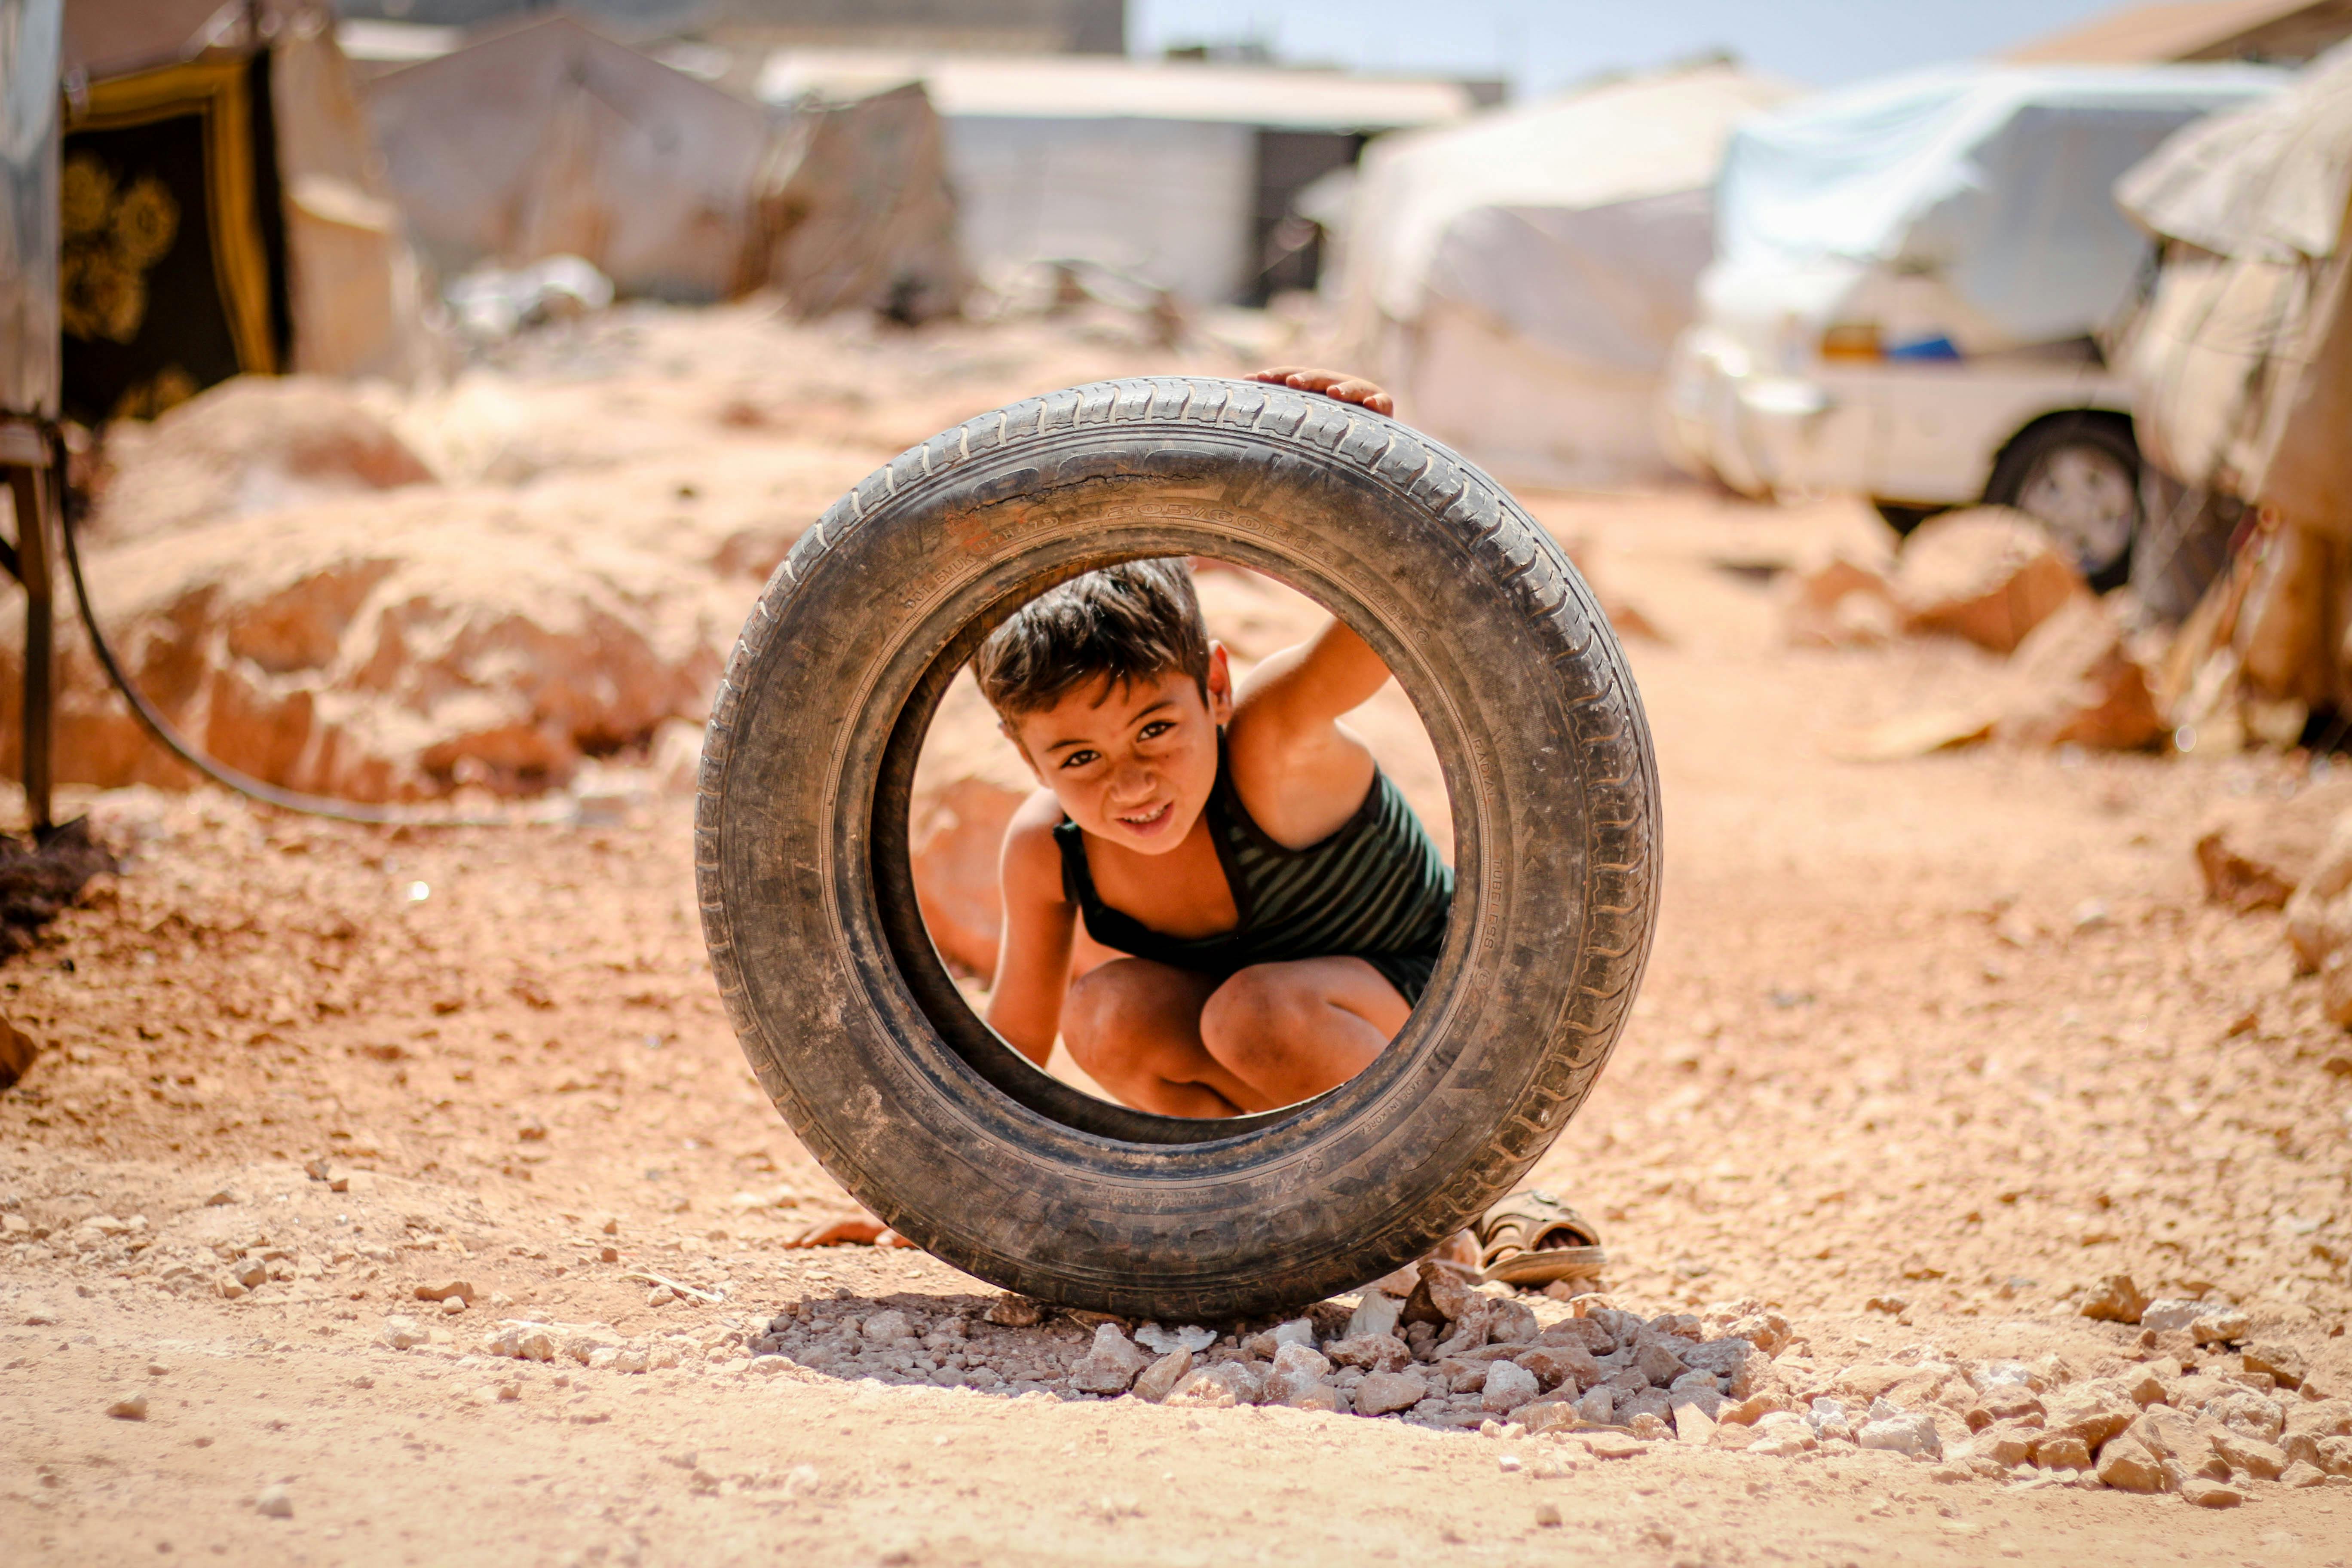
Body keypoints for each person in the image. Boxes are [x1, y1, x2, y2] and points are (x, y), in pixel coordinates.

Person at [975, 368, 1450, 1118]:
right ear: (1023, 754)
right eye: (1080, 758)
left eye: (1156, 731)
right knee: (1106, 1014)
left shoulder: (1269, 742)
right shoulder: (1050, 847)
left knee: (1255, 1016)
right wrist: (915, 1196)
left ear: (1216, 687)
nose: (1131, 785)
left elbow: (1403, 600)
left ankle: (1454, 1201)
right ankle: (1269, 1218)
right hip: (1278, 1048)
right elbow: (1011, 1051)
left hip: (1445, 1027)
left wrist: (1362, 467)